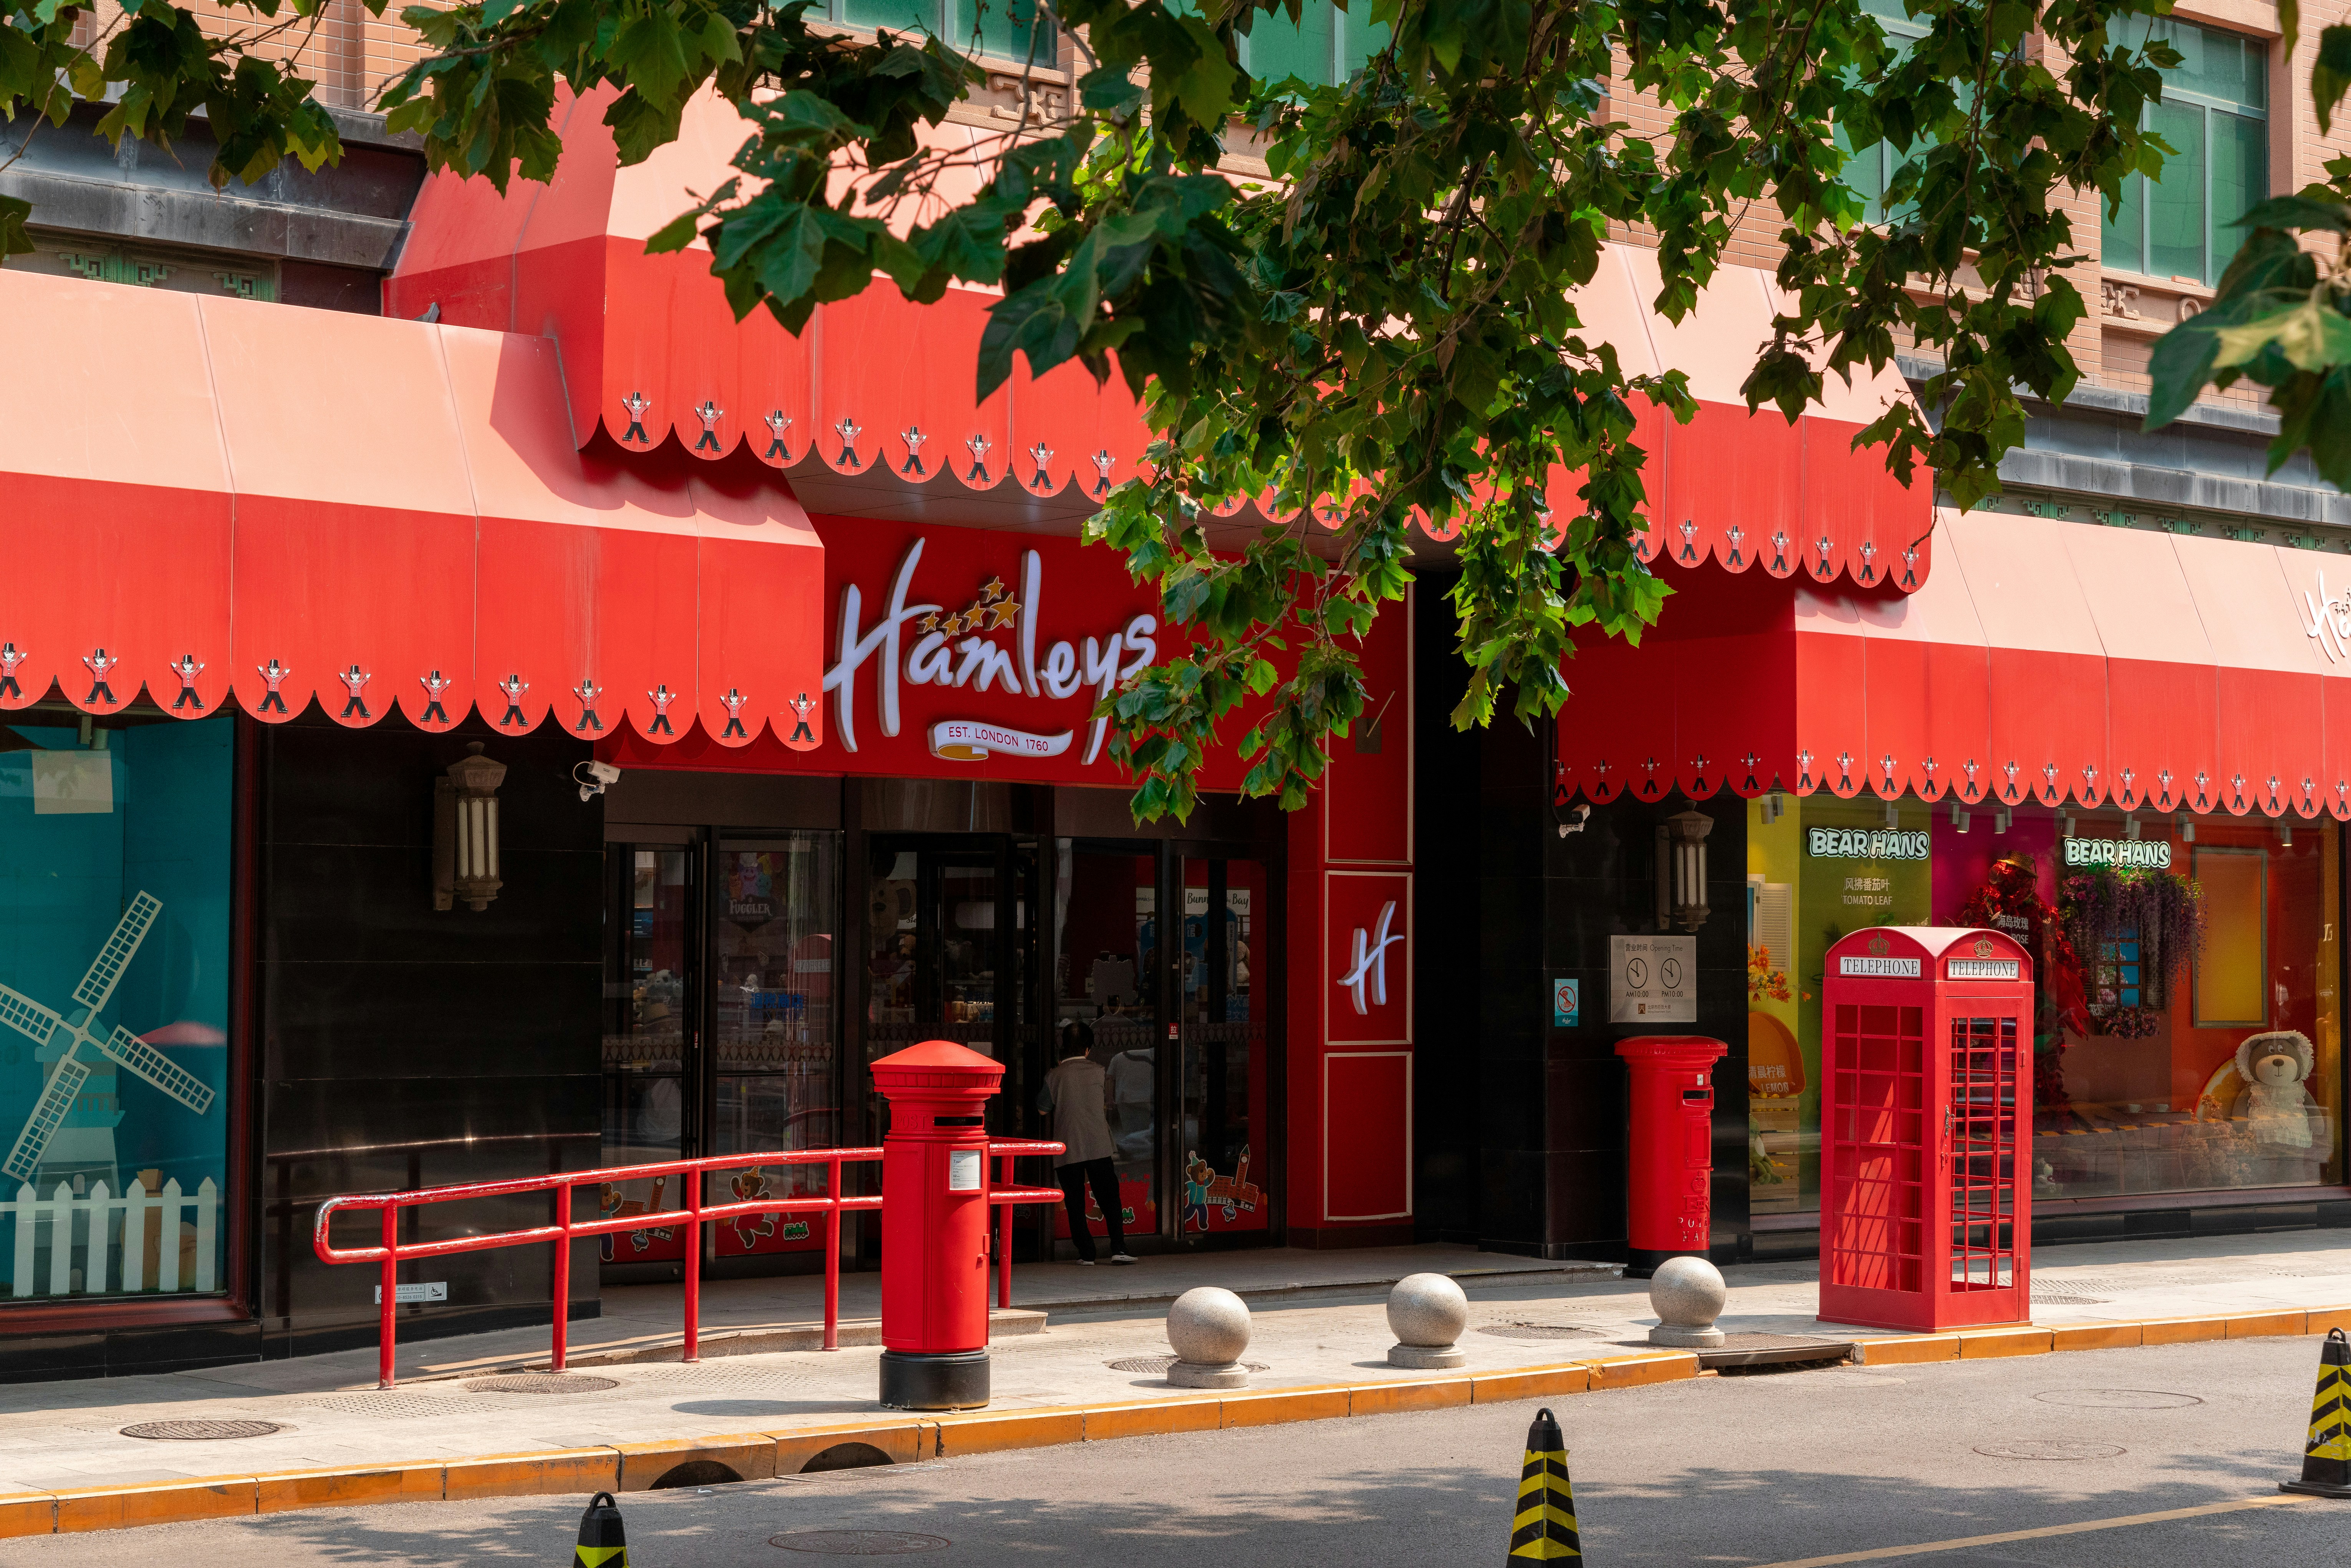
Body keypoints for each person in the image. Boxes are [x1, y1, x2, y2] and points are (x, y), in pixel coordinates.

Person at [1039, 1021, 1137, 1265]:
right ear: (1088, 1049)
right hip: (1097, 1144)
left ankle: (1087, 1254)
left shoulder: (1054, 1076)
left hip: (1067, 1145)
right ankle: (1119, 1249)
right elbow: (1109, 1101)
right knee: (1109, 1198)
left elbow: (1042, 1110)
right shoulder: (1099, 1071)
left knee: (1074, 1201)